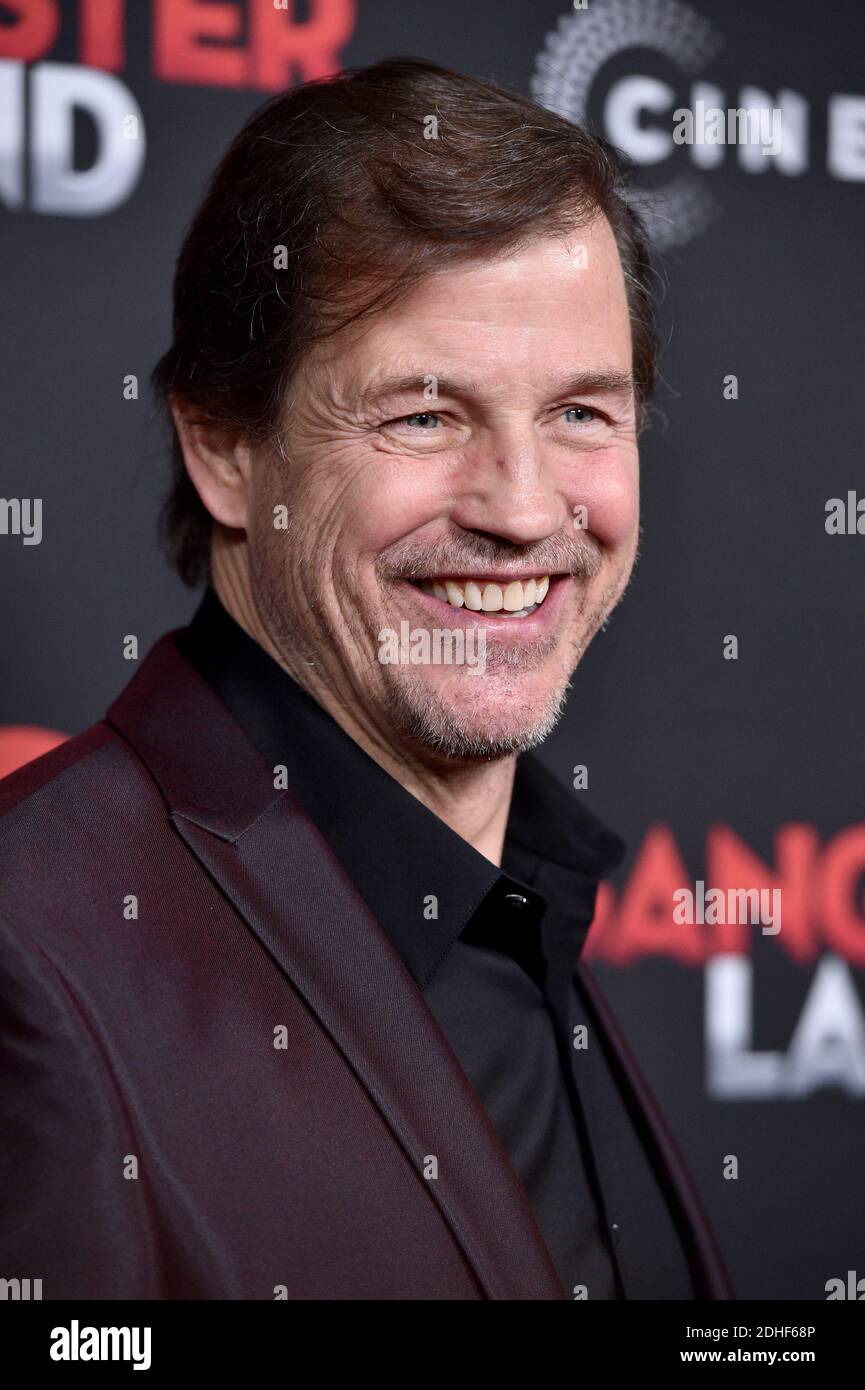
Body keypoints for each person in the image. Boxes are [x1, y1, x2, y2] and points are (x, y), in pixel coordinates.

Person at [0, 58, 731, 1300]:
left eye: (581, 415)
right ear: (226, 449)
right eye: (423, 417)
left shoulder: (527, 902)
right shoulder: (32, 951)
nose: (521, 508)